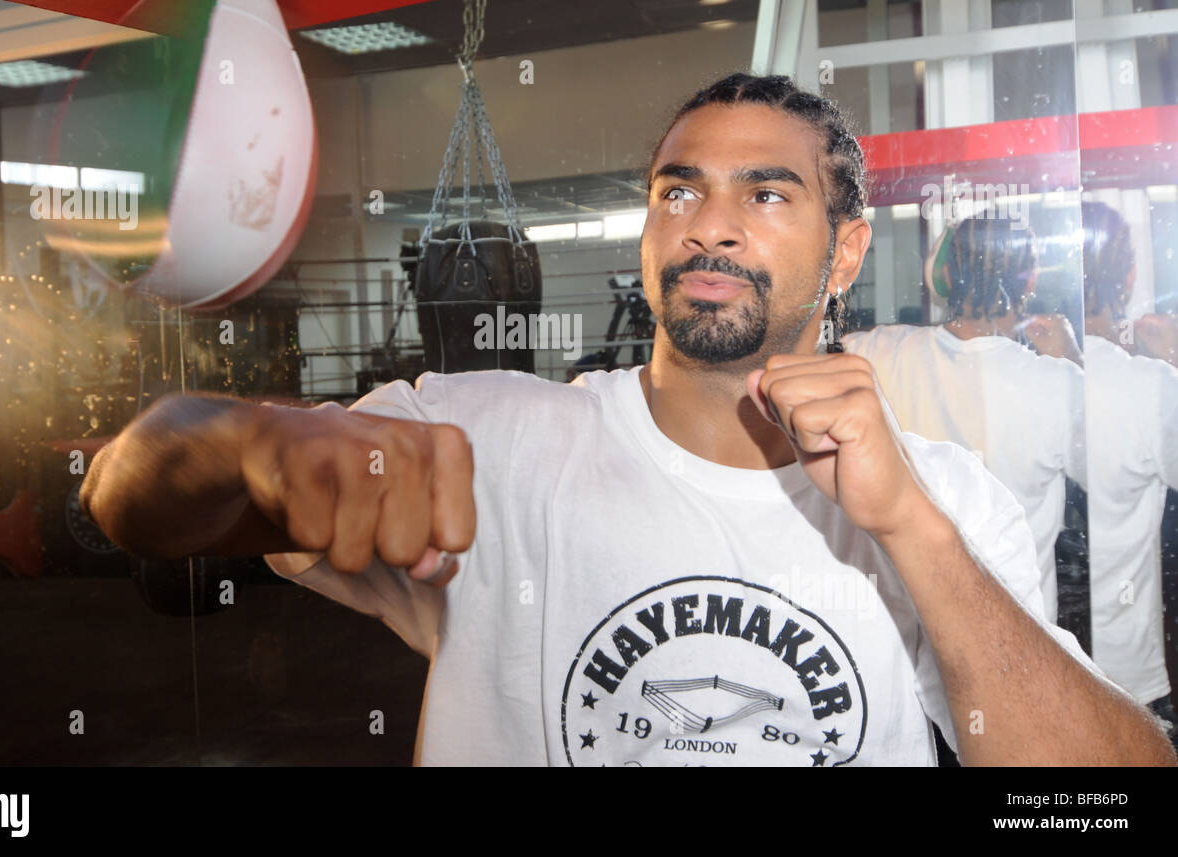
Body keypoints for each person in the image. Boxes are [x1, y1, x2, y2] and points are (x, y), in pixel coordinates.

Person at [81, 73, 1175, 766]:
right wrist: (249, 441)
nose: (710, 225)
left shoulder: (949, 498)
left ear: (844, 252)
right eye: (677, 189)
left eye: (768, 193)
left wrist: (917, 535)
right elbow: (127, 497)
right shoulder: (479, 438)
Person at [841, 212, 1086, 621]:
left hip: (907, 635)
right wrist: (1073, 360)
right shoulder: (1059, 382)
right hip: (1020, 642)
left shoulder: (874, 353)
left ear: (946, 275)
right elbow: (1106, 472)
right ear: (1030, 282)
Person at [1080, 199, 1178, 751]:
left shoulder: (1015, 371)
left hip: (1027, 667)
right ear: (1131, 276)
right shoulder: (1150, 387)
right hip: (1128, 682)